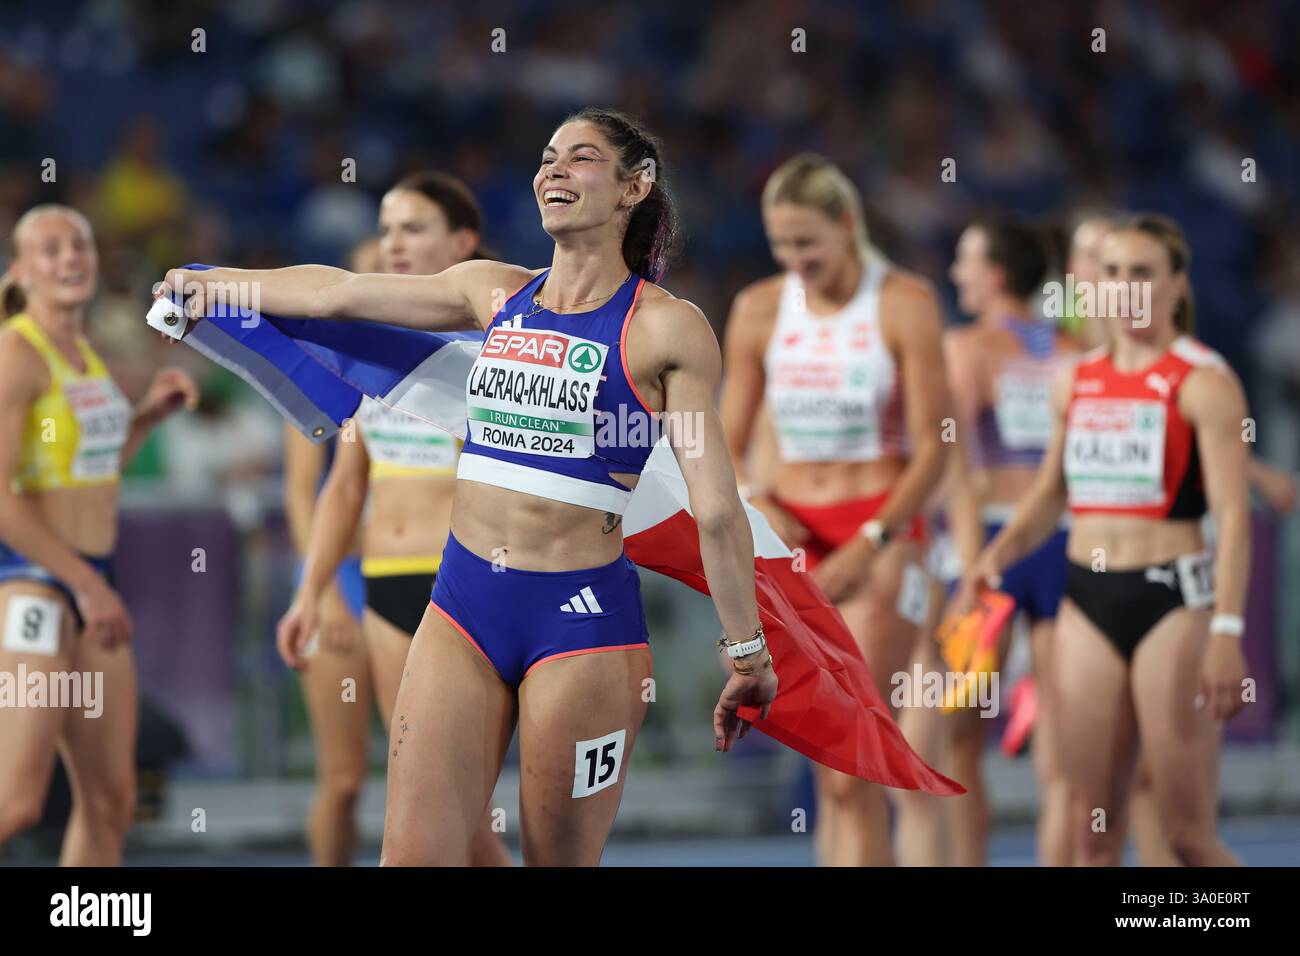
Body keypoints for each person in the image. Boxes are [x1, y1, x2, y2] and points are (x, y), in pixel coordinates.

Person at [158, 108, 778, 866]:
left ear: (633, 186)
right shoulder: (494, 293)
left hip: (580, 624)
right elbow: (338, 295)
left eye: (580, 158)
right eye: (547, 157)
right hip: (461, 606)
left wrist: (747, 654)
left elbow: (714, 507)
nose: (553, 170)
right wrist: (217, 287)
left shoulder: (668, 330)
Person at [960, 214, 1251, 866]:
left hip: (1171, 599)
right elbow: (1051, 493)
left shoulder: (1204, 381)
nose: (1125, 287)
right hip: (1087, 599)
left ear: (1175, 285)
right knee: (1093, 831)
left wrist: (1227, 631)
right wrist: (997, 555)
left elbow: (1231, 517)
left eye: (1142, 273)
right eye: (1113, 273)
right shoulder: (1077, 379)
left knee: (1185, 837)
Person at [718, 154, 951, 865]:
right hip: (792, 535)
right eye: (781, 244)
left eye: (808, 242)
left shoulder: (903, 302)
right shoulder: (759, 309)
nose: (796, 259)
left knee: (855, 763)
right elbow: (723, 443)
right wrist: (756, 497)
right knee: (832, 768)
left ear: (846, 225)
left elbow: (935, 449)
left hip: (880, 532)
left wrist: (875, 538)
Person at [280, 173, 511, 866]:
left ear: (465, 243)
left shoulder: (494, 346)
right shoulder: (366, 355)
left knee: (460, 813)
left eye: (413, 229)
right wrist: (311, 589)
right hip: (383, 587)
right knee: (427, 806)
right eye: (386, 231)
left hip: (464, 591)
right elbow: (345, 488)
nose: (393, 245)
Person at [0, 204, 195, 864]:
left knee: (110, 803)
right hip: (30, 585)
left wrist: (142, 421)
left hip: (90, 587)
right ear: (22, 272)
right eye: (50, 249)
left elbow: (84, 474)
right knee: (17, 802)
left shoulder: (84, 354)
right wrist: (84, 583)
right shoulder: (16, 354)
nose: (70, 259)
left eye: (79, 245)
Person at [940, 216, 1081, 865]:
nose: (954, 274)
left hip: (995, 541)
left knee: (960, 737)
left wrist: (971, 569)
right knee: (1062, 745)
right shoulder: (1075, 349)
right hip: (1064, 541)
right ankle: (1026, 685)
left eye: (965, 261)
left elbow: (959, 472)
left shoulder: (966, 349)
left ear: (995, 275)